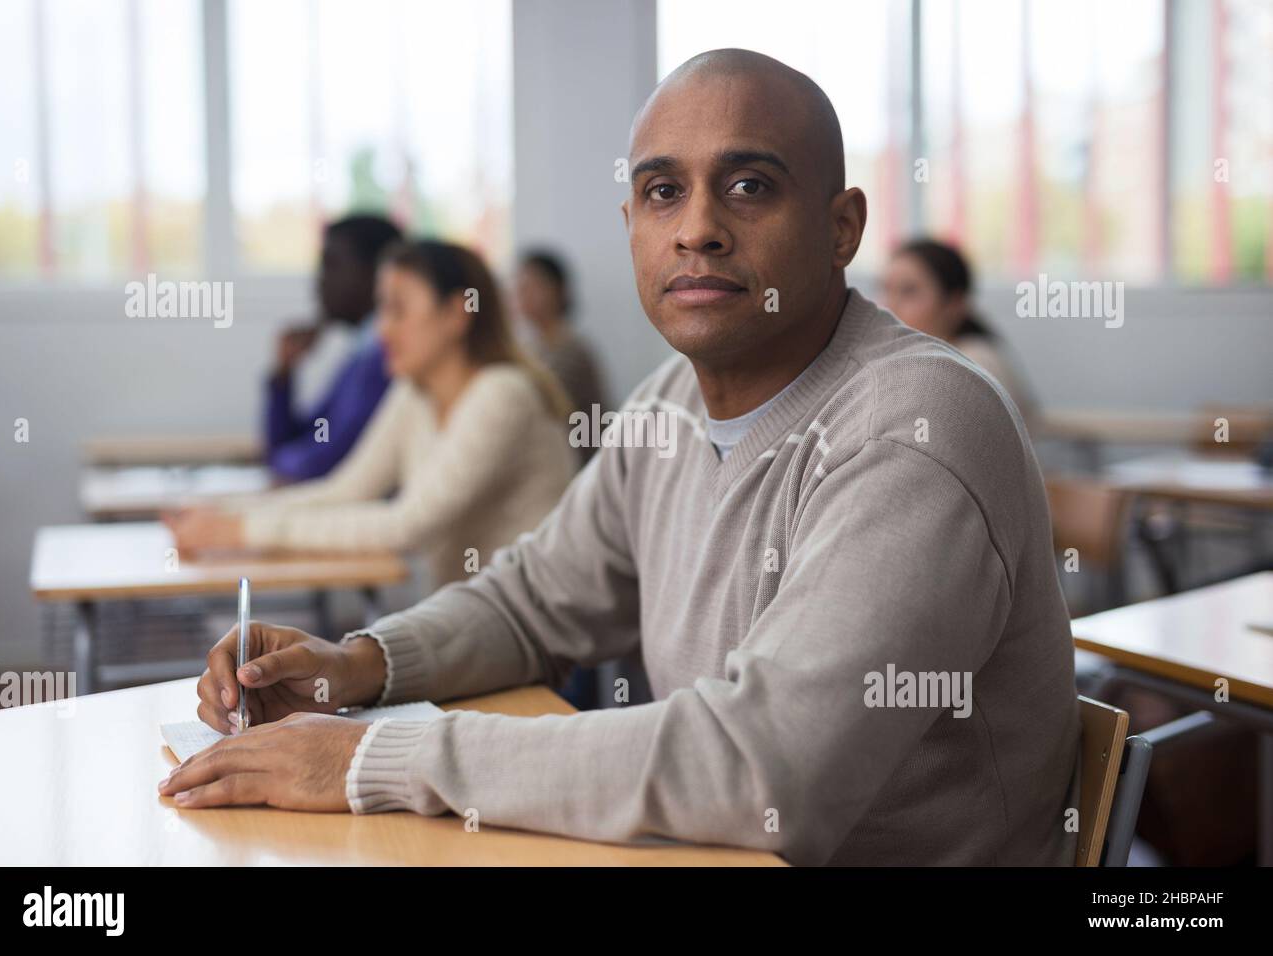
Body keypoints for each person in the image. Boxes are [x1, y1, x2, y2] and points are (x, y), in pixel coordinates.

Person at [162, 50, 1080, 867]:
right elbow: (533, 603)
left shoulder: (917, 425)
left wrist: (371, 758)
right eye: (661, 191)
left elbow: (763, 769)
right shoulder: (670, 405)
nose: (698, 229)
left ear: (842, 228)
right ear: (632, 223)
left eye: (750, 185)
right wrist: (360, 664)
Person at [165, 240, 576, 589]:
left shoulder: (502, 394)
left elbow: (406, 527)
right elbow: (344, 491)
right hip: (471, 620)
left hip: (539, 640)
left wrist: (238, 532)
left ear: (455, 313)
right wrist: (227, 513)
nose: (382, 330)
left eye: (398, 310)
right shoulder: (415, 392)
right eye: (382, 310)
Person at [265, 215, 404, 481]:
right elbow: (300, 439)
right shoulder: (360, 356)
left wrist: (280, 461)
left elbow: (325, 464)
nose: (319, 282)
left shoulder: (386, 362)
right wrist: (283, 375)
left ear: (376, 275)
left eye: (331, 265)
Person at [881, 238, 1039, 432]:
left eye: (909, 292)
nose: (888, 306)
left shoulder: (973, 366)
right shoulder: (923, 362)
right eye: (885, 289)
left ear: (954, 303)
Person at [515, 249, 609, 467]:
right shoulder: (532, 347)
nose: (522, 294)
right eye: (520, 287)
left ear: (558, 291)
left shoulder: (572, 350)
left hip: (580, 469)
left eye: (531, 286)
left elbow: (539, 407)